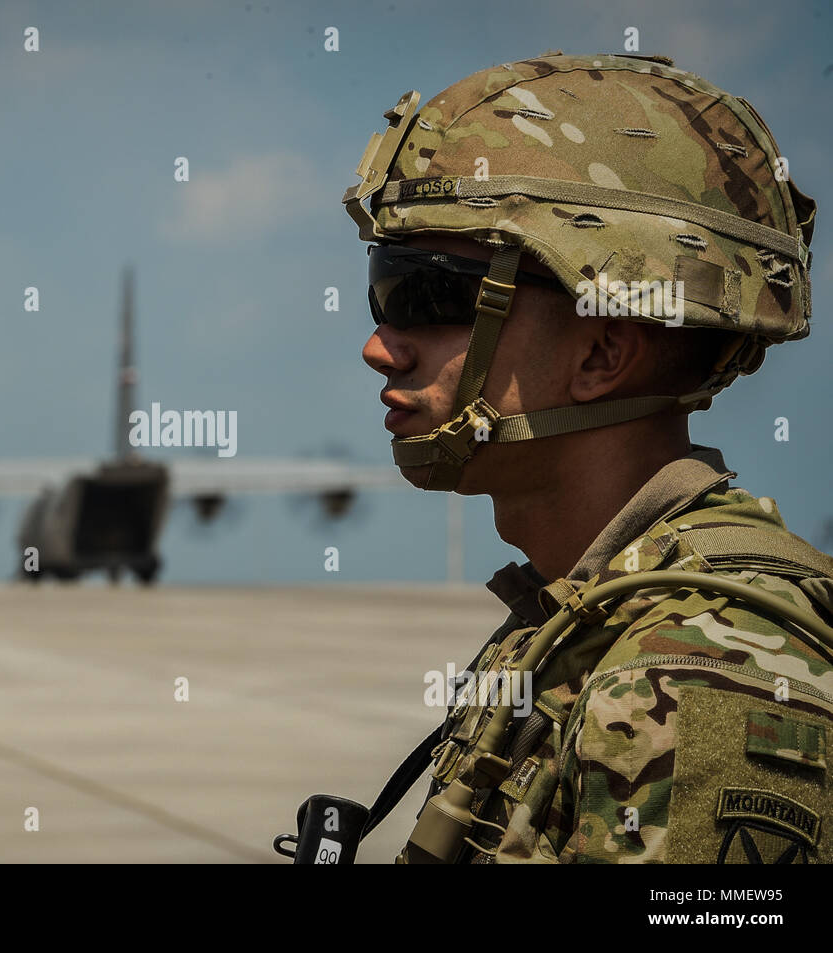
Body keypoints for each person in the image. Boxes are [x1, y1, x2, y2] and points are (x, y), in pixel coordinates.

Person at [347, 51, 833, 862]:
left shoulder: (699, 673)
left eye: (427, 295)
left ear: (603, 355)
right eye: (381, 290)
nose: (378, 347)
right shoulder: (571, 617)